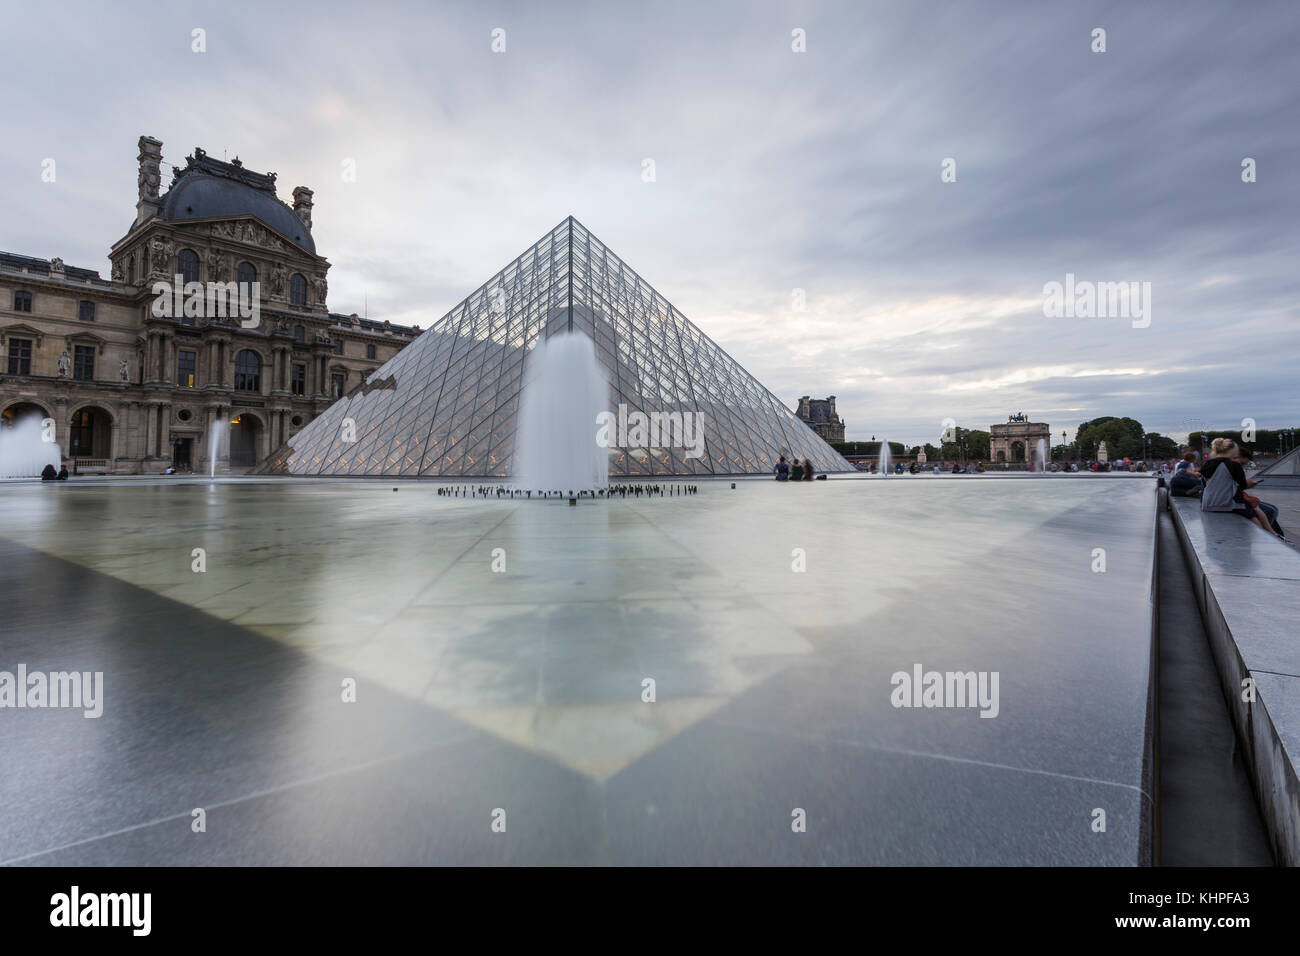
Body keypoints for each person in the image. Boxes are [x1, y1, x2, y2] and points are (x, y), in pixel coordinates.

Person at [1200, 438, 1274, 534]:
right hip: (1226, 504)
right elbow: (1242, 485)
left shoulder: (1207, 464)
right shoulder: (1233, 465)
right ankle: (1269, 534)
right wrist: (1250, 484)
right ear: (1234, 452)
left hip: (1207, 503)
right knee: (1254, 516)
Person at [1235, 448, 1283, 537]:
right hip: (1236, 499)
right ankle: (1269, 535)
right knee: (1270, 510)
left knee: (1273, 509)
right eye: (1242, 463)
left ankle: (1275, 535)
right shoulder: (1232, 467)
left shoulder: (1234, 466)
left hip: (1239, 496)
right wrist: (1246, 485)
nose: (1242, 466)